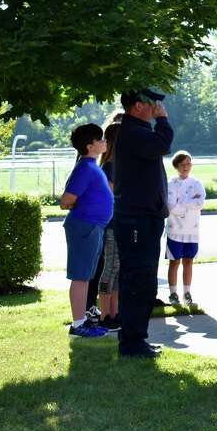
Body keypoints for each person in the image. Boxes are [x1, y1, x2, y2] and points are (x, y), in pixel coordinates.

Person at [113, 89, 173, 359]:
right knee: (138, 279)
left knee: (144, 279)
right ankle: (132, 342)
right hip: (136, 218)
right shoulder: (134, 132)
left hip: (145, 217)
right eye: (153, 104)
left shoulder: (137, 130)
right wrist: (163, 121)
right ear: (138, 106)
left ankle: (136, 339)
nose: (157, 108)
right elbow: (162, 145)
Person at [61, 123, 112, 338]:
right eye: (100, 139)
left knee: (86, 276)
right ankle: (78, 324)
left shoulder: (91, 166)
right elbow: (66, 200)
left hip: (93, 227)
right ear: (90, 145)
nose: (105, 142)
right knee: (81, 277)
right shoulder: (85, 168)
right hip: (85, 227)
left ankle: (82, 321)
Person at [90, 119, 122, 331]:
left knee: (117, 268)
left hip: (120, 223)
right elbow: (112, 194)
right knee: (109, 268)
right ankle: (105, 314)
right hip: (111, 224)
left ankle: (114, 312)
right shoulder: (109, 166)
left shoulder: (116, 166)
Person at [165, 150, 205, 306]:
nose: (186, 167)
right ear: (176, 166)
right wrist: (188, 204)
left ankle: (187, 292)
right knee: (174, 262)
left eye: (188, 163)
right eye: (182, 164)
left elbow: (200, 202)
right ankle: (173, 293)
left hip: (192, 230)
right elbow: (171, 205)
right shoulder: (171, 184)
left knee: (189, 261)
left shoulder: (197, 183)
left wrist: (182, 202)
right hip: (175, 230)